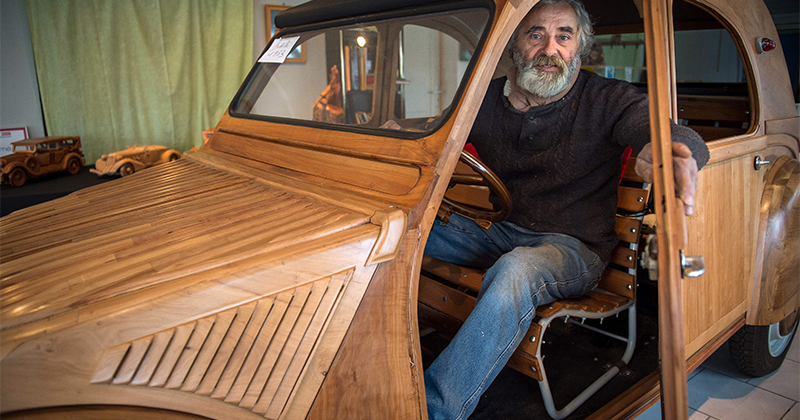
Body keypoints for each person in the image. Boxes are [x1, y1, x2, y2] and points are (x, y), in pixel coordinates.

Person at [422, 0, 710, 419]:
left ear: (579, 48)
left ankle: (434, 411)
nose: (550, 48)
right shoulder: (483, 100)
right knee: (407, 229)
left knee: (517, 269)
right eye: (535, 33)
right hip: (501, 232)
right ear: (514, 46)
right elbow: (435, 134)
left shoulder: (607, 100)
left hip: (574, 248)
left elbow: (661, 129)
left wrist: (676, 151)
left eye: (564, 36)